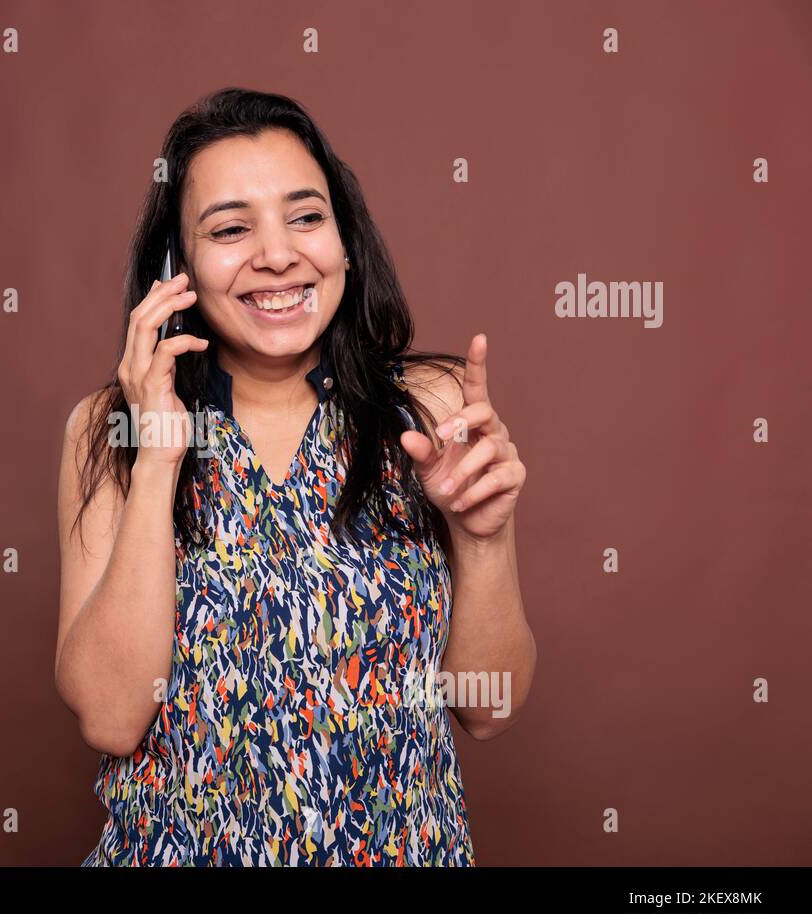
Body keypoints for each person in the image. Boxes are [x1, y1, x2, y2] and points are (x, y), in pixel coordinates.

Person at [55, 88, 536, 866]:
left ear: (346, 241)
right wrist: (159, 458)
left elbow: (488, 712)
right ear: (178, 269)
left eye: (306, 216)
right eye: (231, 228)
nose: (277, 254)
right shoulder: (106, 430)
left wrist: (484, 540)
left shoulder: (430, 407)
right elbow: (112, 718)